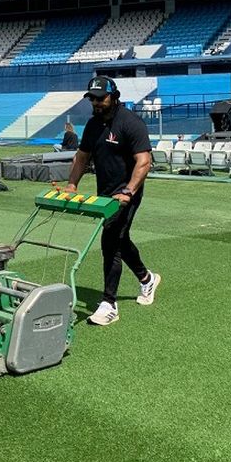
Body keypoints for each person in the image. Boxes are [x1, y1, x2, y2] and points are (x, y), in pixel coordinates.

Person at [64, 75, 161, 326]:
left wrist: (128, 191)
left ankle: (109, 304)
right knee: (121, 240)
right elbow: (82, 157)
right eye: (92, 99)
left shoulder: (131, 123)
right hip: (105, 194)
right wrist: (72, 184)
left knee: (110, 241)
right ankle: (147, 278)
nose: (96, 103)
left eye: (100, 98)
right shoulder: (93, 125)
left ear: (113, 97)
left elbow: (144, 161)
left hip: (128, 193)